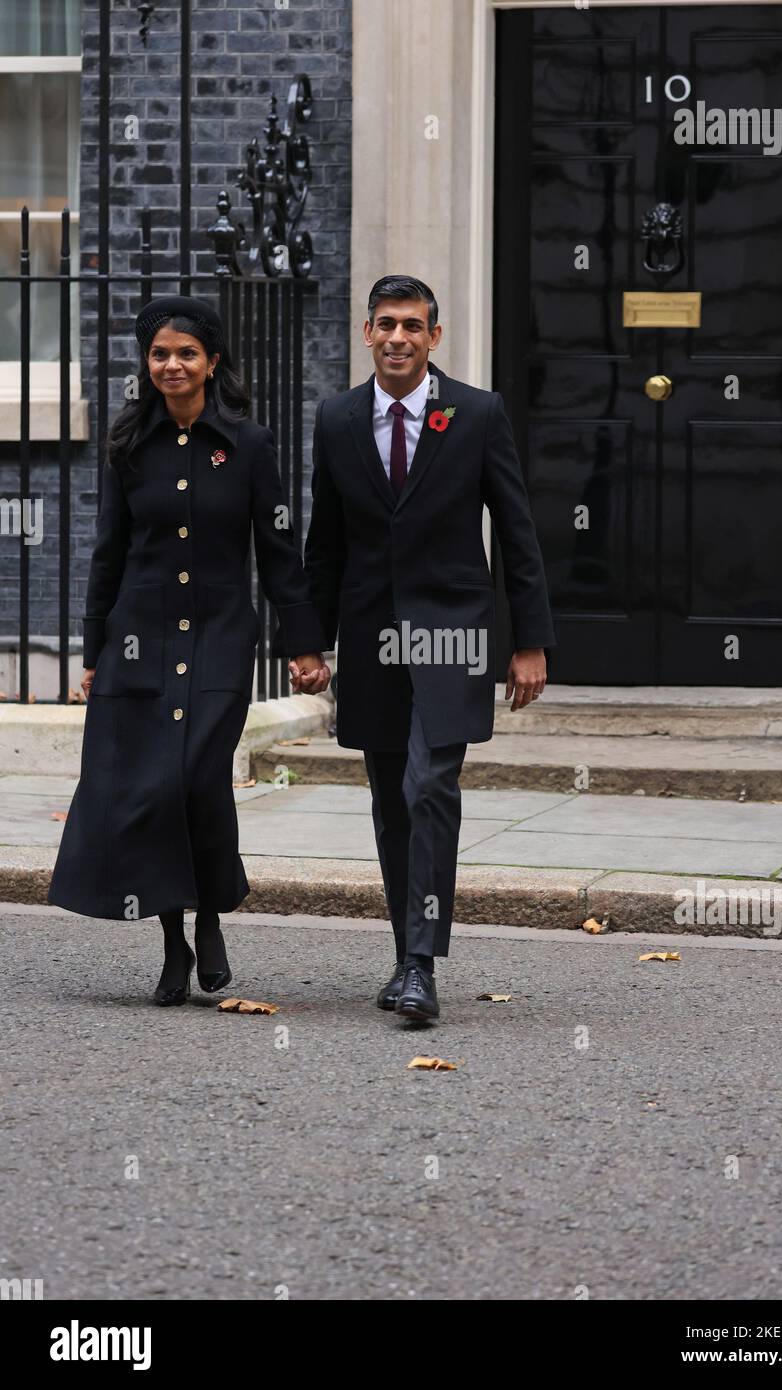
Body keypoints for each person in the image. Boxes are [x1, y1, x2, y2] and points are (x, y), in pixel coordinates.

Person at [48, 295, 330, 1004]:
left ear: (210, 362)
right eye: (159, 354)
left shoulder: (248, 443)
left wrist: (303, 645)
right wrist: (91, 652)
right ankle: (173, 943)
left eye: (186, 353)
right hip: (137, 643)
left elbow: (278, 549)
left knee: (198, 783)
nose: (172, 365)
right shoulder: (126, 444)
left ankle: (210, 919)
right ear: (147, 365)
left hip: (219, 638)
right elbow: (107, 554)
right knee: (151, 792)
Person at [304, 275, 555, 1022]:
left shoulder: (475, 414)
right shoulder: (337, 417)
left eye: (413, 326)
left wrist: (530, 643)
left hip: (454, 632)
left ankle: (421, 967)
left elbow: (516, 533)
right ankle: (403, 951)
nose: (398, 338)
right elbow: (325, 542)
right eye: (385, 324)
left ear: (434, 338)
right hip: (371, 635)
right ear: (367, 332)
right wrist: (308, 640)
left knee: (429, 786)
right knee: (389, 801)